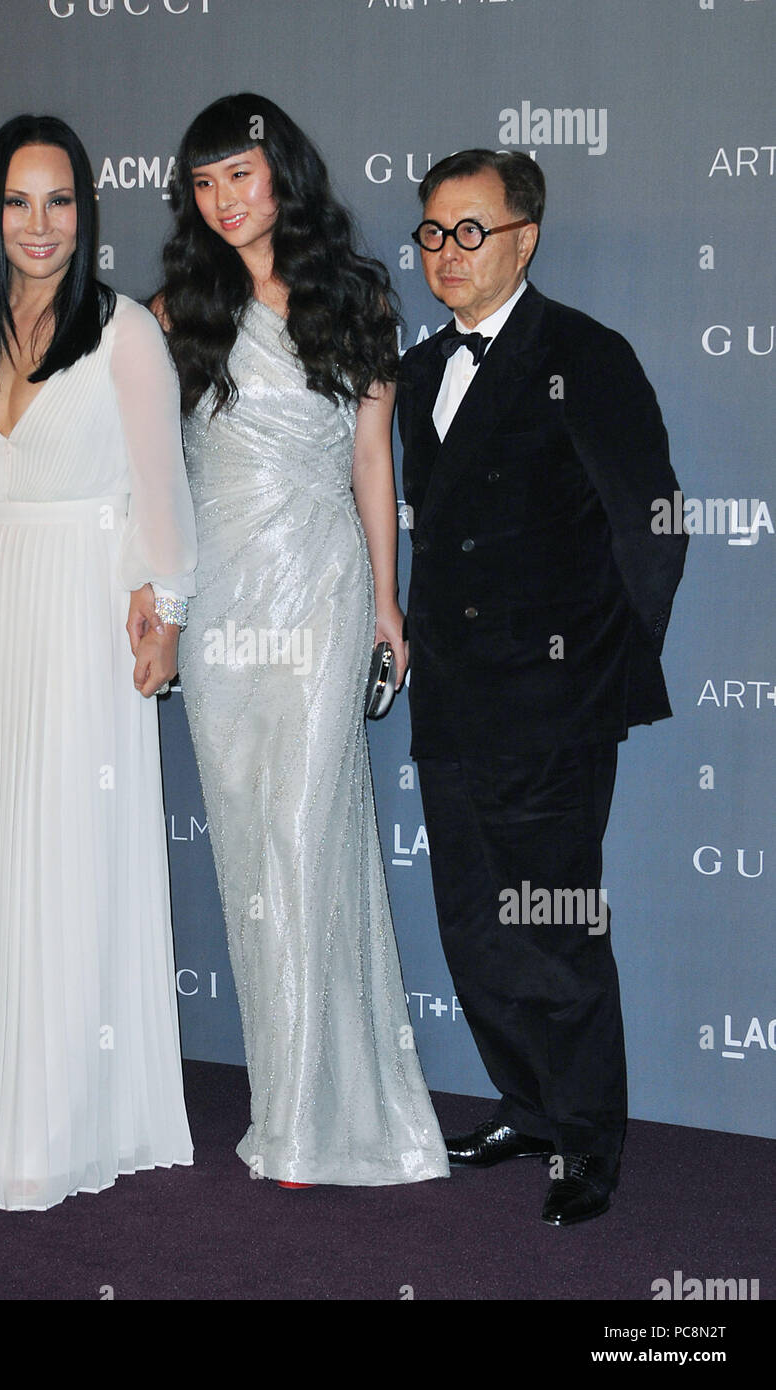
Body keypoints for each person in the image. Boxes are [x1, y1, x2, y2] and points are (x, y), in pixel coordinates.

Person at [0, 114, 196, 1211]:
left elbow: (158, 498)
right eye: (19, 201)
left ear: (86, 212)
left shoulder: (124, 337)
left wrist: (163, 610)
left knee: (68, 859)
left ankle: (66, 1113)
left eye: (60, 201)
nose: (39, 224)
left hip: (77, 625)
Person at [155, 93, 448, 1188]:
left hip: (321, 587)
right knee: (252, 853)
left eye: (242, 172)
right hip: (223, 599)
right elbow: (156, 476)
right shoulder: (176, 306)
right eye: (206, 180)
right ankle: (287, 1104)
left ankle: (324, 1113)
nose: (227, 198)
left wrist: (385, 599)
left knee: (306, 830)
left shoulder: (353, 294)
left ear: (283, 172)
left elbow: (375, 459)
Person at [398, 149, 687, 1225]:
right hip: (457, 704)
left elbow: (652, 522)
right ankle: (524, 1104)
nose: (446, 252)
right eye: (431, 231)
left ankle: (585, 1141)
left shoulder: (584, 353)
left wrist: (601, 669)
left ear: (524, 237)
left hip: (554, 706)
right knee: (473, 923)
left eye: (468, 230)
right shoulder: (422, 369)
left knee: (553, 927)